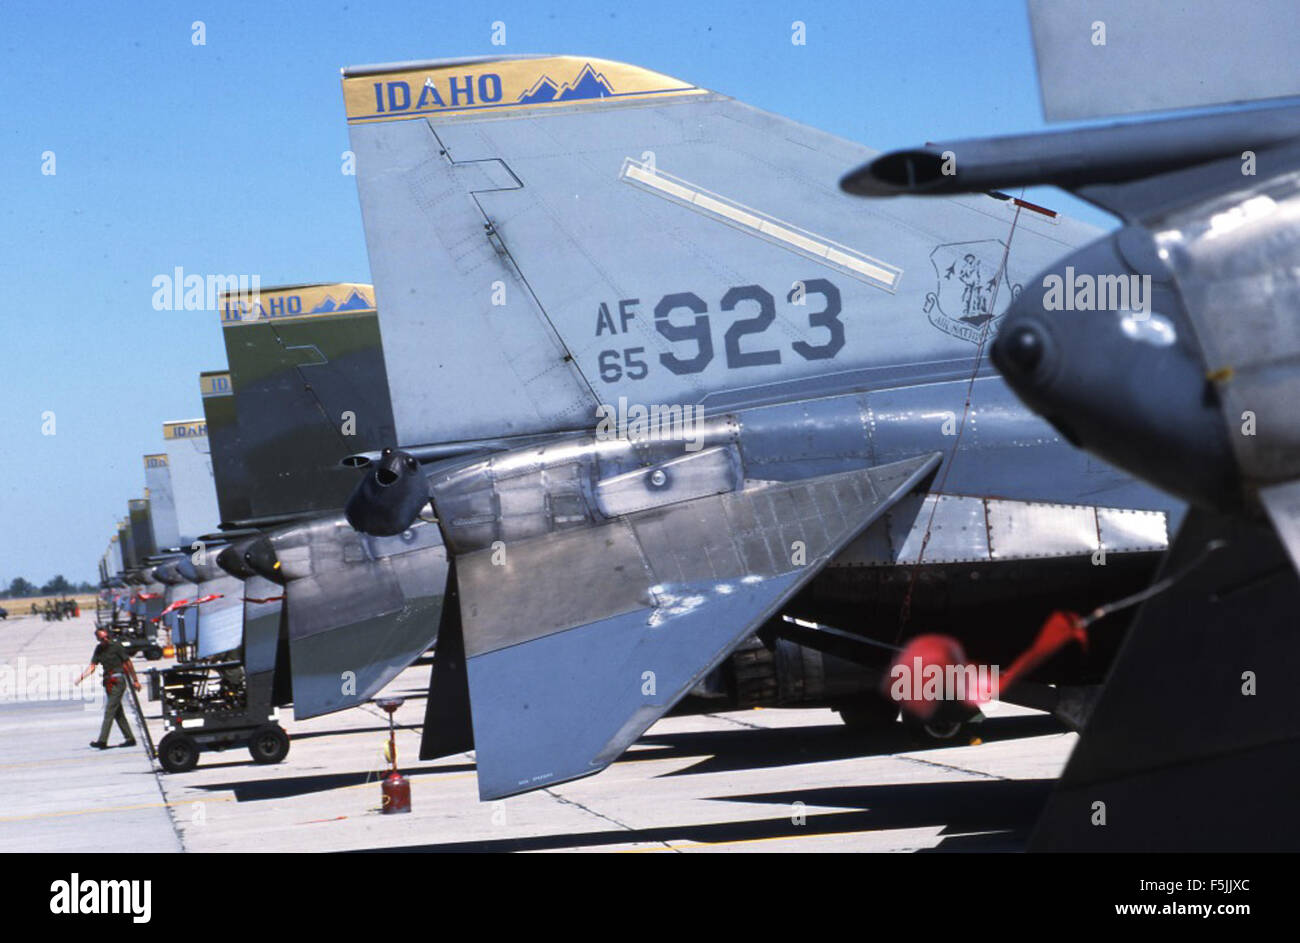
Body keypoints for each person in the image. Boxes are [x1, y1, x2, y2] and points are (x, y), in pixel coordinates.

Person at [75, 627, 139, 749]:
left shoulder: (116, 646)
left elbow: (128, 663)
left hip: (118, 681)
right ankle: (130, 738)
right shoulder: (99, 649)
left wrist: (135, 680)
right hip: (108, 682)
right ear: (98, 639)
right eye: (102, 638)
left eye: (106, 637)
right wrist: (81, 677)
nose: (106, 640)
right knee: (117, 712)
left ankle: (102, 740)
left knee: (109, 710)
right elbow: (93, 666)